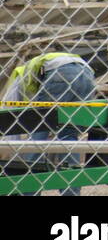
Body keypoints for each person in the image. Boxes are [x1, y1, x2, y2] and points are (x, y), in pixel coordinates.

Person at [3, 52, 96, 195]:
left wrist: (12, 150)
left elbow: (10, 113)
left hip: (60, 72)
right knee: (68, 133)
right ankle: (71, 190)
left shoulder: (18, 78)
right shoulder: (34, 69)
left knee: (39, 128)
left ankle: (29, 189)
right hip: (87, 73)